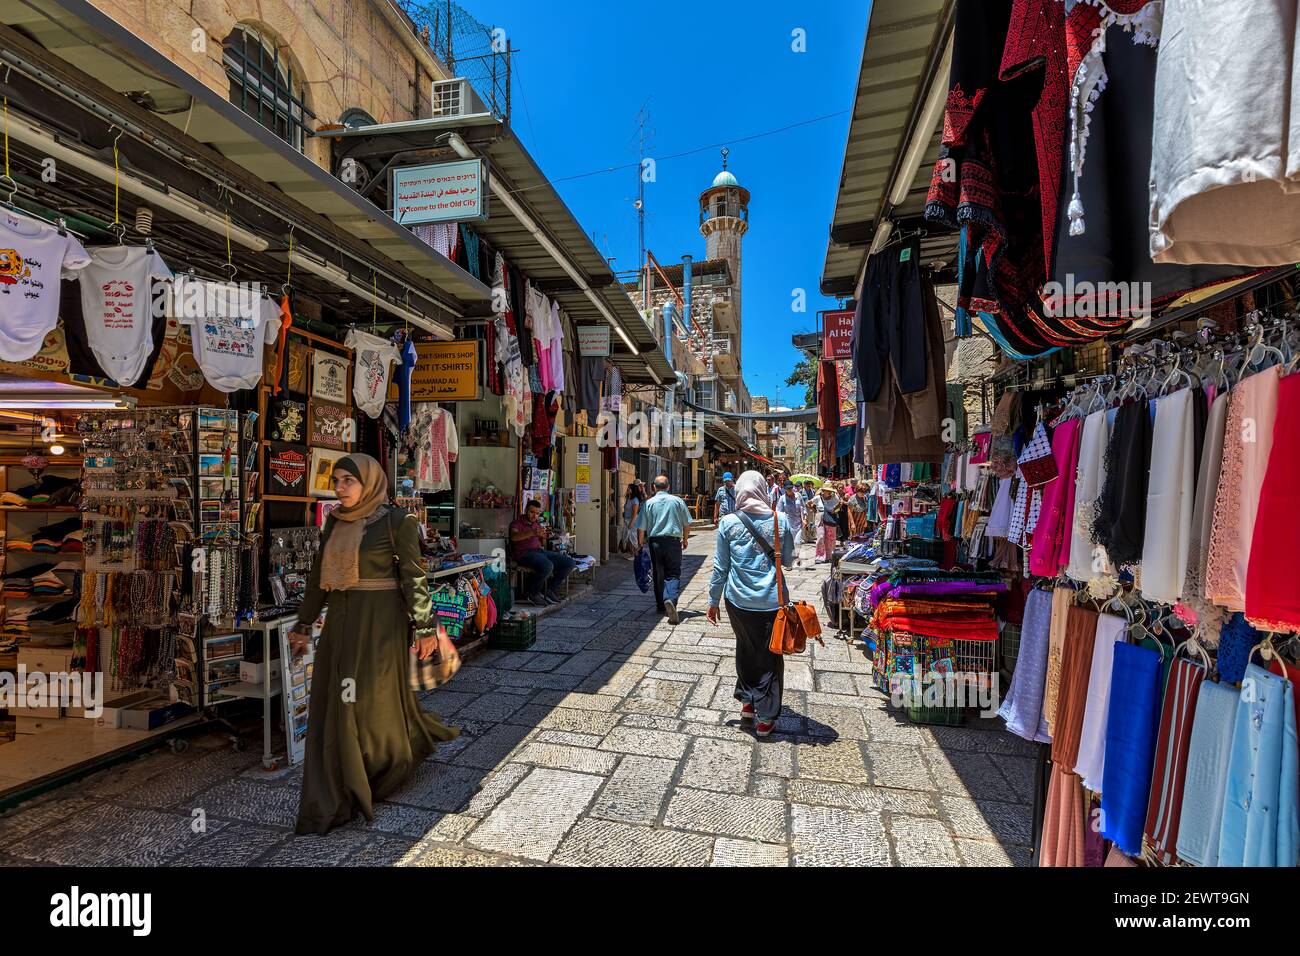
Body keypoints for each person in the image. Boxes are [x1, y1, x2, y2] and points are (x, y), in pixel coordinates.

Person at [288, 453, 459, 835]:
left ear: (370, 483)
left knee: (369, 700)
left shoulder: (399, 521)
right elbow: (319, 577)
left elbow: (414, 578)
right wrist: (304, 622)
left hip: (380, 625)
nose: (339, 488)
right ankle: (347, 777)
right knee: (340, 701)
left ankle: (383, 763)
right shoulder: (335, 521)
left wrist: (425, 626)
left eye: (349, 480)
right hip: (342, 623)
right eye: (337, 481)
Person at [706, 470, 796, 737]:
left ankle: (747, 704)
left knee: (746, 648)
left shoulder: (728, 522)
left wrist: (712, 600)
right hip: (772, 601)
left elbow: (720, 567)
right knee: (770, 654)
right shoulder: (780, 520)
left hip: (738, 601)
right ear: (762, 489)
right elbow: (789, 560)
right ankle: (766, 716)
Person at [635, 474, 692, 623]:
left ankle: (660, 605)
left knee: (658, 572)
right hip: (673, 542)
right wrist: (685, 539)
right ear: (668, 487)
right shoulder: (678, 501)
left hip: (655, 543)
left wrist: (640, 544)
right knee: (673, 572)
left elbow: (641, 527)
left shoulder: (648, 503)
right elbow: (687, 523)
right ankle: (670, 599)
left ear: (653, 487)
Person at [510, 500, 577, 605]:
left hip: (539, 552)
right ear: (526, 510)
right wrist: (532, 533)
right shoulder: (517, 523)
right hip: (523, 554)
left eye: (537, 513)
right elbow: (514, 537)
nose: (534, 516)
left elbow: (542, 542)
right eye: (532, 512)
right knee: (547, 565)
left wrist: (544, 536)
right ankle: (533, 593)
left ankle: (550, 590)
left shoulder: (536, 524)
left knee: (569, 562)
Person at [813, 482, 842, 563]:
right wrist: (816, 511)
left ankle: (829, 556)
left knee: (831, 538)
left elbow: (840, 503)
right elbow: (809, 503)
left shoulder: (835, 497)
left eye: (829, 491)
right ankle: (819, 556)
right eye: (826, 490)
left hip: (830, 519)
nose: (828, 492)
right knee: (820, 537)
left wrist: (835, 510)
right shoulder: (817, 498)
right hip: (820, 519)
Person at [775, 480, 806, 546]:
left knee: (797, 543)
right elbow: (778, 512)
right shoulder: (782, 498)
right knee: (790, 545)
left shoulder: (798, 495)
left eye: (790, 488)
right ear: (784, 489)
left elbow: (803, 507)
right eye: (787, 488)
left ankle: (795, 555)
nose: (789, 490)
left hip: (799, 524)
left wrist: (805, 519)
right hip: (788, 525)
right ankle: (792, 556)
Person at [621, 482, 645, 557]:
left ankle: (635, 554)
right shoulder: (628, 498)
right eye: (628, 487)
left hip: (633, 520)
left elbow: (635, 513)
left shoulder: (635, 500)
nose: (628, 489)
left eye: (629, 488)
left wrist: (631, 522)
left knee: (632, 537)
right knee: (627, 538)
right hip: (627, 520)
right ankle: (632, 553)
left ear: (633, 490)